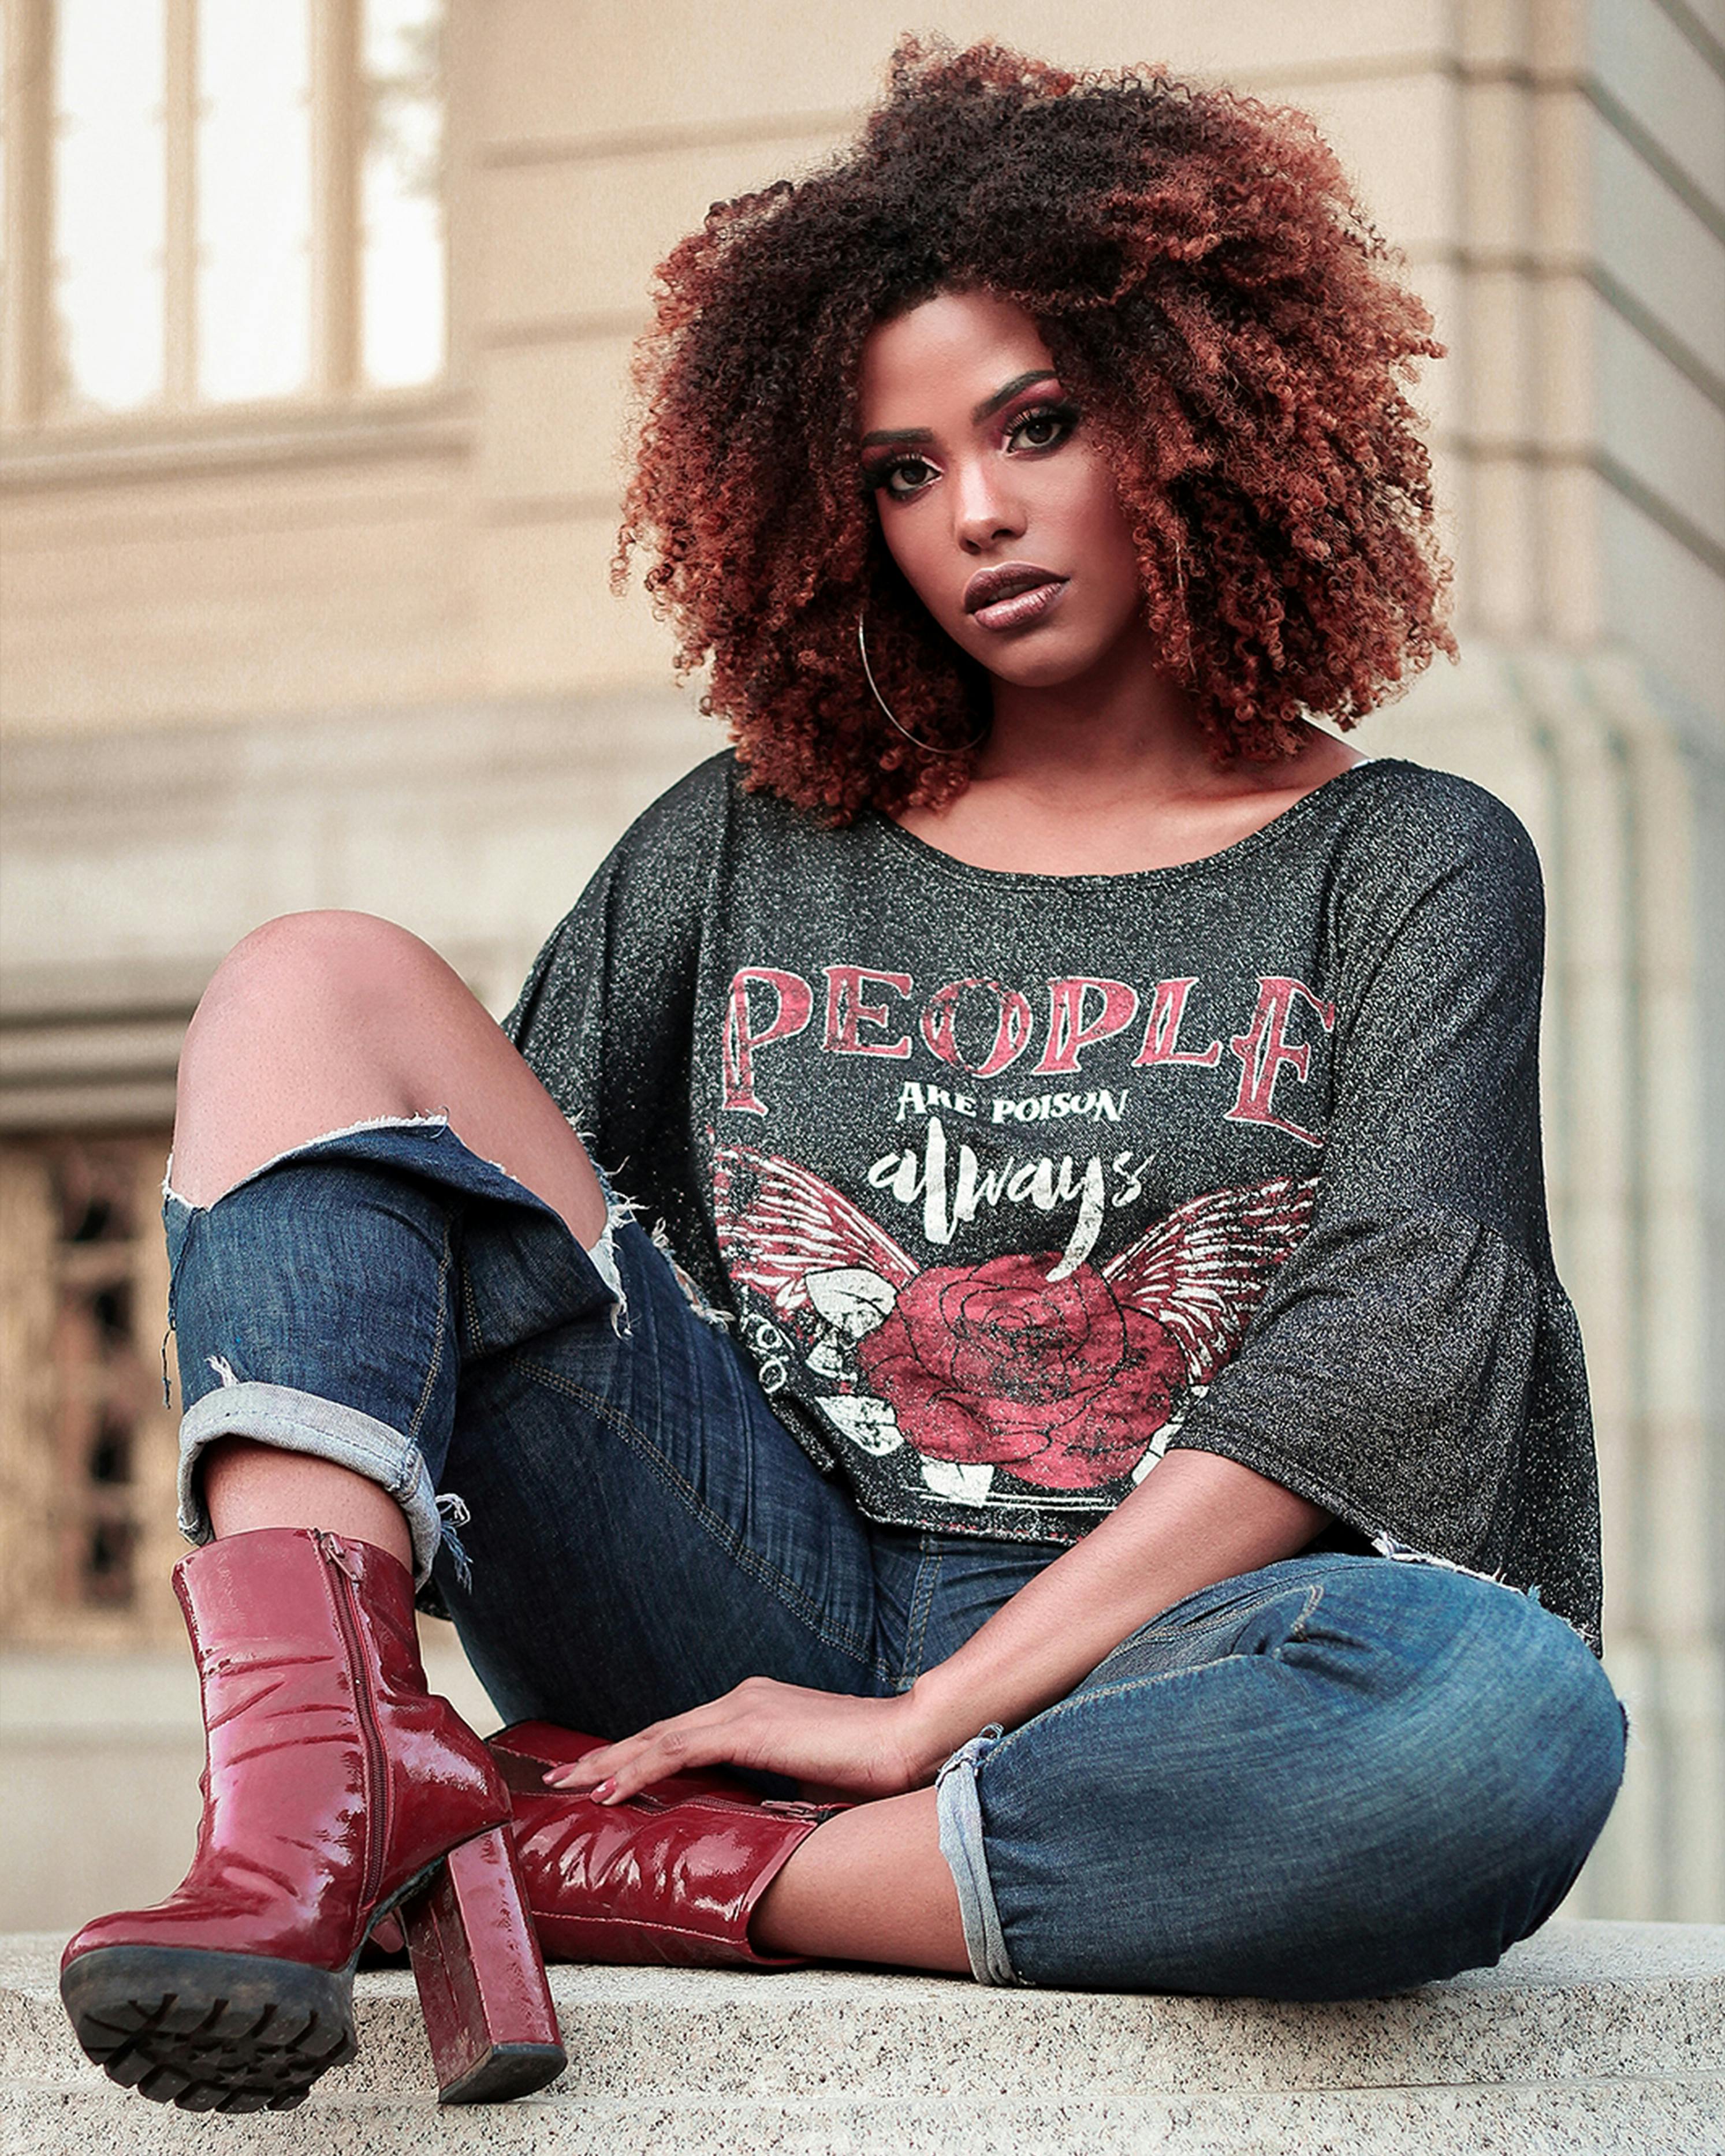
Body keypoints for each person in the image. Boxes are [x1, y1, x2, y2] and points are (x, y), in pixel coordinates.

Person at [59, 37, 1625, 2116]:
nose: (974, 513)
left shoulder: (1405, 861)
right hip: (725, 1597)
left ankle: (593, 1859)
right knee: (311, 988)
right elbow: (458, 1248)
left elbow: (1390, 1340)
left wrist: (918, 1721)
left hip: (1145, 1665)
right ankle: (321, 1789)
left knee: (1501, 1719)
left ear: (1197, 422)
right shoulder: (739, 842)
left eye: (1036, 426)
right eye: (901, 471)